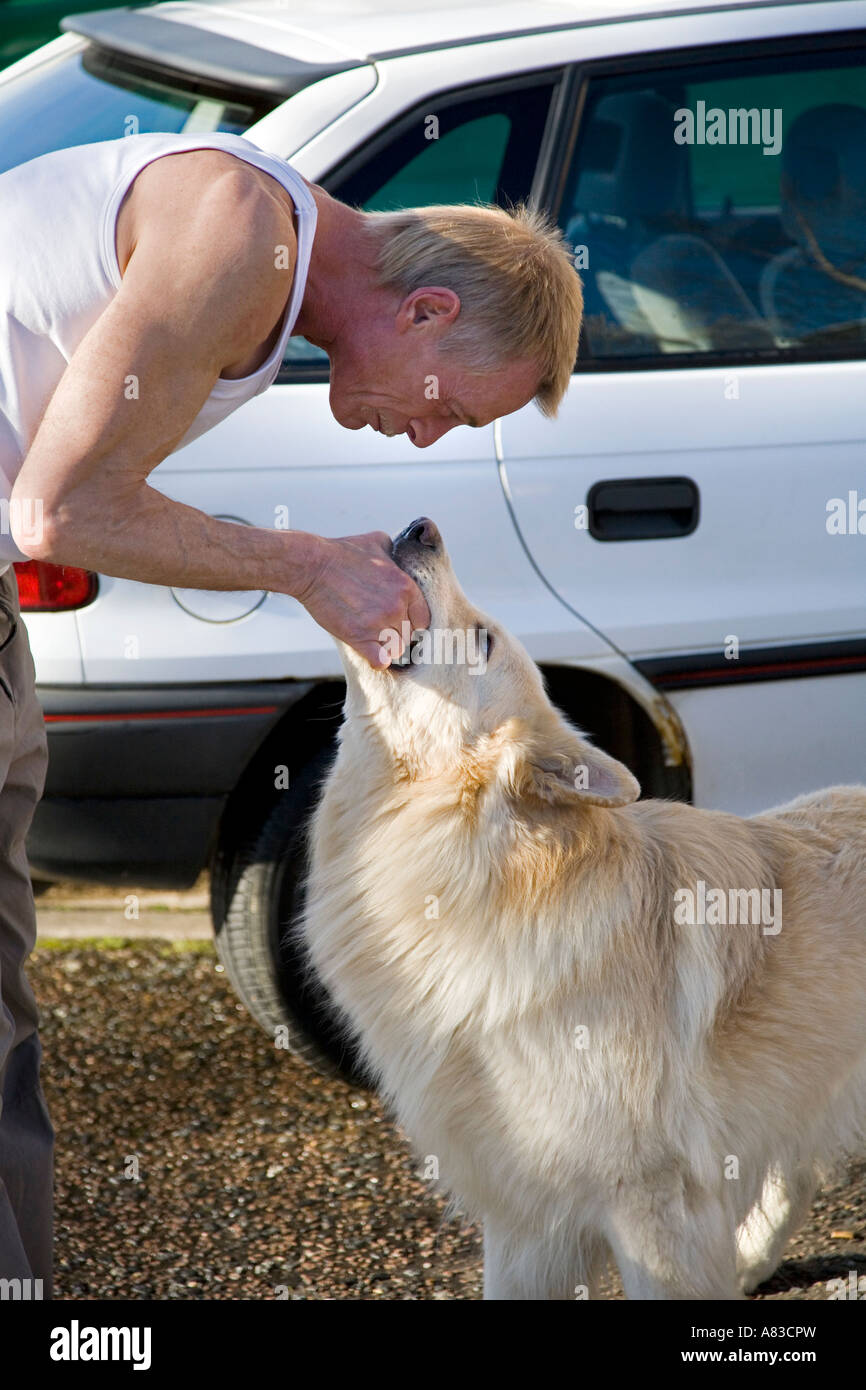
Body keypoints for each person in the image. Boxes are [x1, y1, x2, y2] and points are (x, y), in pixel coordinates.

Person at [0, 128, 583, 1295]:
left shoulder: (258, 235)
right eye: (451, 411)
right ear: (422, 311)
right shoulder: (239, 231)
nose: (428, 437)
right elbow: (57, 515)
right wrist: (310, 565)